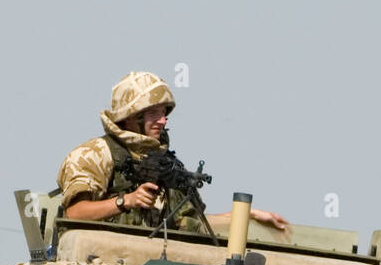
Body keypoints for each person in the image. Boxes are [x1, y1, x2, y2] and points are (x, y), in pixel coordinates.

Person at [57, 71, 289, 235]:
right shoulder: (95, 154)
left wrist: (245, 216)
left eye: (164, 113)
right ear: (130, 117)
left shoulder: (166, 165)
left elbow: (194, 223)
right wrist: (126, 200)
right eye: (154, 113)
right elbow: (74, 212)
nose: (163, 120)